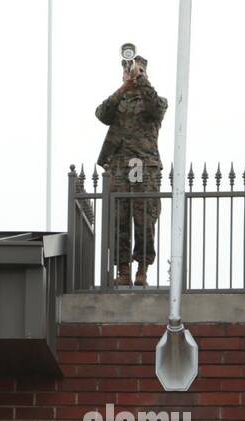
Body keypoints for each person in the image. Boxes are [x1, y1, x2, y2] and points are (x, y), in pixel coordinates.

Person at [95, 54, 167, 287]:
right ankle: (123, 269)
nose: (131, 73)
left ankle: (142, 270)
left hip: (145, 167)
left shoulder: (154, 100)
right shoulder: (119, 101)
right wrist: (123, 86)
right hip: (119, 167)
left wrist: (142, 81)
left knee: (145, 219)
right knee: (119, 220)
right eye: (128, 69)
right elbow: (101, 113)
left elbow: (156, 108)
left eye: (135, 70)